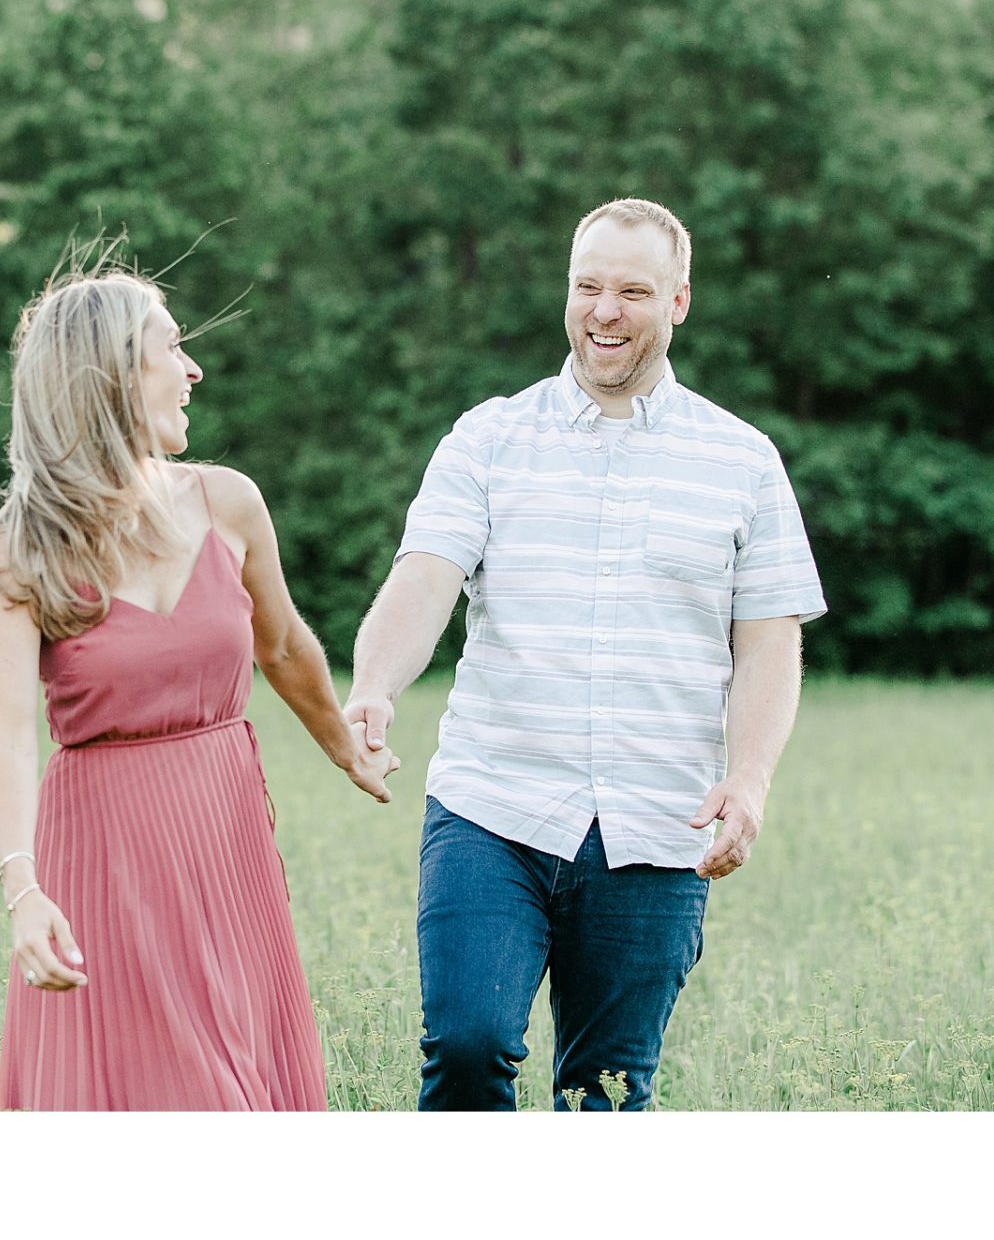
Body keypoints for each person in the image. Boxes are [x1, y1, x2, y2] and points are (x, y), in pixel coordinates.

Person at [344, 197, 826, 1111]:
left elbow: (769, 639)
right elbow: (424, 578)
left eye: (633, 291)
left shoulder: (743, 460)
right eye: (587, 286)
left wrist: (751, 777)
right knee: (469, 1044)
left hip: (658, 824)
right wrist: (375, 685)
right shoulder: (489, 438)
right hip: (493, 807)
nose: (604, 311)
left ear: (679, 300)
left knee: (604, 1090)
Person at [0, 257, 399, 1111]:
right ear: (114, 374)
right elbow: (5, 736)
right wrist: (24, 890)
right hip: (103, 858)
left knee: (236, 1078)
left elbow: (282, 646)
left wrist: (344, 747)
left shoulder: (229, 503)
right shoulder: (20, 550)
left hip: (225, 842)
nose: (193, 370)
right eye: (173, 347)